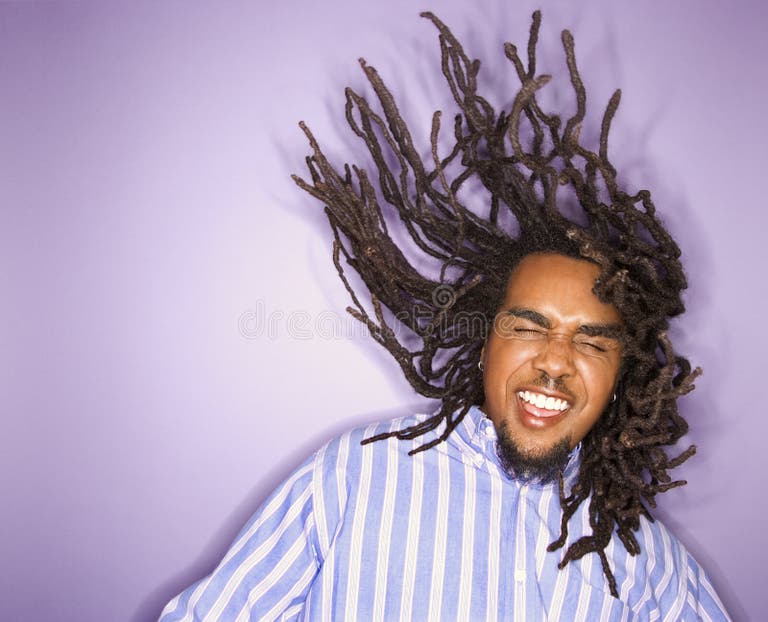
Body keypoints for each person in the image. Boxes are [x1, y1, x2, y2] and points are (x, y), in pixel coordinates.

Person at [159, 11, 730, 621]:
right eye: (529, 326)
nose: (556, 361)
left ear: (622, 374)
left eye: (591, 343)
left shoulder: (645, 562)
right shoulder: (356, 476)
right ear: (486, 343)